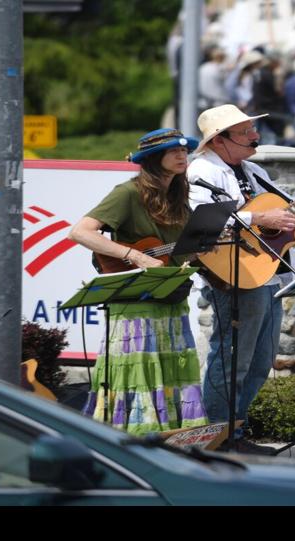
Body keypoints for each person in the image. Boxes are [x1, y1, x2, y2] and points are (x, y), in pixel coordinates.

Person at [188, 105, 295, 453]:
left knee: (261, 360)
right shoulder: (201, 172)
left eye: (253, 129)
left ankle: (237, 431)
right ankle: (220, 438)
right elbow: (201, 221)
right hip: (236, 274)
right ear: (220, 141)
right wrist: (258, 217)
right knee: (232, 358)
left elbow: (289, 210)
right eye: (246, 132)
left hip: (269, 275)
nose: (255, 136)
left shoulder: (252, 169)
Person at [65, 129, 210, 438]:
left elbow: (180, 252)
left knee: (170, 372)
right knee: (138, 375)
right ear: (153, 159)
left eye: (184, 150)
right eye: (173, 151)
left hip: (170, 298)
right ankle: (131, 441)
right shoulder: (128, 192)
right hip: (135, 303)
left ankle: (172, 439)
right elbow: (80, 232)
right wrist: (136, 256)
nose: (182, 155)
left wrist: (201, 251)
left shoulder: (179, 198)